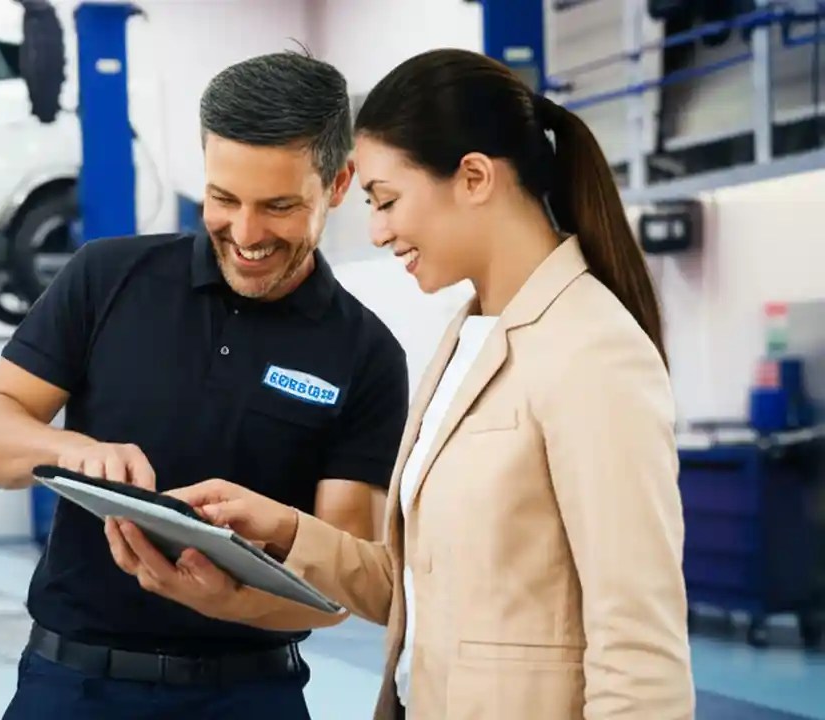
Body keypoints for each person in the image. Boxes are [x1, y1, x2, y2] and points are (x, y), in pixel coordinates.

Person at [106, 48, 696, 720]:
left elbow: (639, 646)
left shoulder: (592, 349)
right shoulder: (469, 337)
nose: (379, 231)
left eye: (386, 201)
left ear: (473, 177)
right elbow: (417, 585)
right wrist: (284, 530)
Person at [0, 50, 410, 719]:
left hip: (250, 694)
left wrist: (224, 600)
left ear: (338, 186)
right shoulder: (106, 278)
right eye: (224, 199)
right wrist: (71, 450)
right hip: (71, 687)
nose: (247, 234)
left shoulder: (365, 354)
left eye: (279, 206)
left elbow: (338, 584)